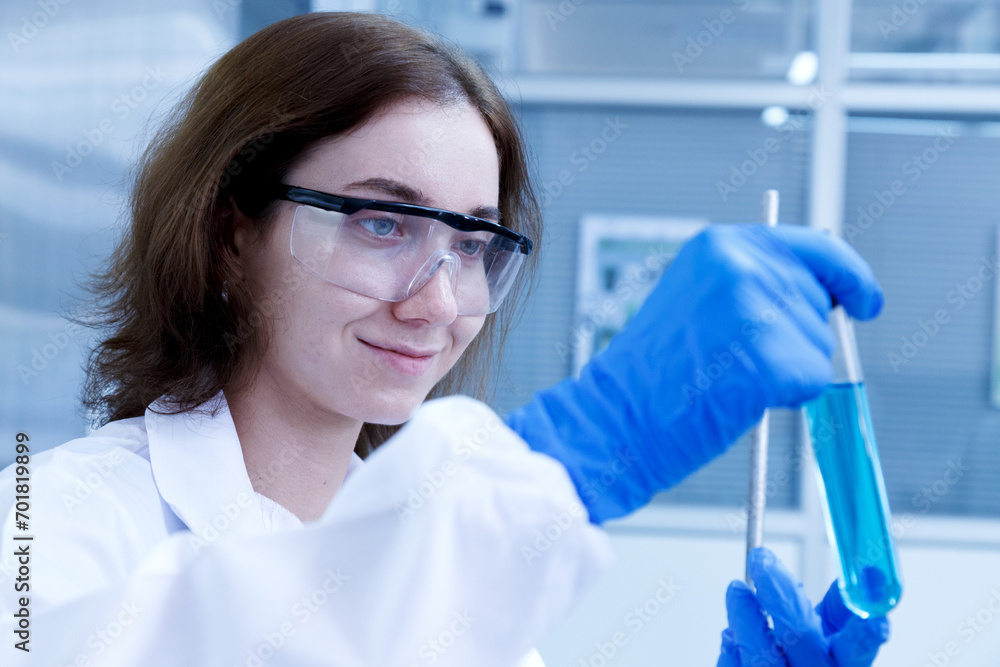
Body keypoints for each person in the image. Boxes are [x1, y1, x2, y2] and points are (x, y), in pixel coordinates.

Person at [0, 11, 890, 667]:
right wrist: (582, 451)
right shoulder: (49, 520)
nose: (437, 304)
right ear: (233, 232)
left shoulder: (452, 582)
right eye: (381, 223)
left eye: (472, 243)